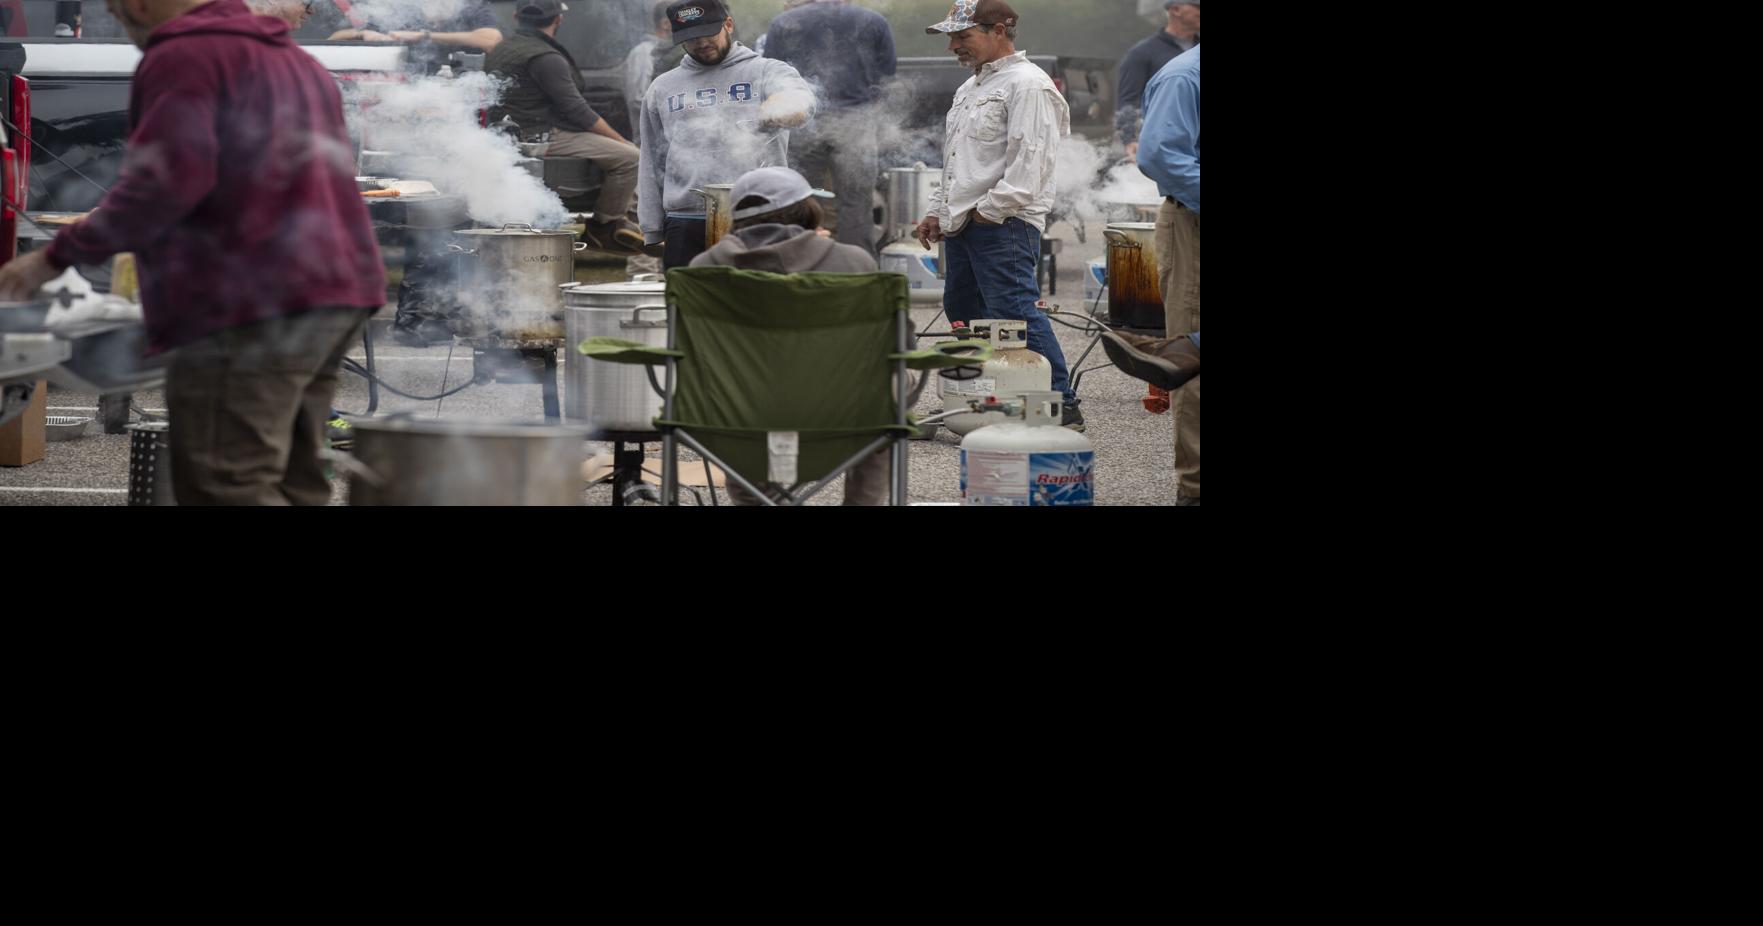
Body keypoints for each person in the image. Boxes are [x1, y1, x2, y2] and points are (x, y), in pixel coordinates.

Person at [0, 0, 385, 505]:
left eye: (121, 12)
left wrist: (54, 256)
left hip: (250, 302)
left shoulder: (186, 52)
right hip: (338, 290)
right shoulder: (296, 60)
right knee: (297, 479)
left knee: (226, 484)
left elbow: (168, 180)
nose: (123, 23)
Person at [914, 0, 1082, 431]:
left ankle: (1060, 407)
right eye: (951, 37)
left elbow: (1030, 168)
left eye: (962, 36)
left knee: (1014, 312)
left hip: (1003, 222)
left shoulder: (1028, 84)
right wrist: (938, 211)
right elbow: (957, 162)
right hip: (969, 221)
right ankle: (977, 403)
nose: (953, 45)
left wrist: (987, 213)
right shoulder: (970, 87)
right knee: (963, 307)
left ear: (1000, 31)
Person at [689, 166, 893, 505]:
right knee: (885, 392)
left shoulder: (704, 269)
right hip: (843, 423)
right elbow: (897, 343)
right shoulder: (854, 263)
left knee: (737, 394)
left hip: (736, 422)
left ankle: (758, 500)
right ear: (809, 210)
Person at [639, 0, 816, 268]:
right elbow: (650, 159)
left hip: (758, 215)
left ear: (728, 25)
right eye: (690, 38)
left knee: (758, 302)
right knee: (687, 304)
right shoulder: (662, 88)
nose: (700, 43)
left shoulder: (767, 70)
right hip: (686, 219)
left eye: (707, 33)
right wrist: (652, 226)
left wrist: (782, 106)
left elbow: (801, 101)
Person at [488, 0, 643, 252]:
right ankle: (604, 227)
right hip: (540, 135)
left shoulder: (501, 49)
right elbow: (578, 111)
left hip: (506, 134)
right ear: (558, 19)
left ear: (517, 17)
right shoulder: (545, 57)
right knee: (631, 158)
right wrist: (621, 141)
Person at [762, 0, 895, 256]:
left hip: (802, 120)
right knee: (856, 203)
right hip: (856, 121)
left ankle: (800, 264)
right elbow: (886, 76)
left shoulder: (784, 22)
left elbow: (771, 75)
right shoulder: (875, 21)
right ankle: (858, 272)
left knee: (799, 200)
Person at [1136, 45, 1200, 505]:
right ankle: (1196, 489)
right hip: (1195, 223)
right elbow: (1160, 156)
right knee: (1195, 352)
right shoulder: (1185, 76)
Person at [1115, 0, 1198, 159]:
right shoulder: (1142, 53)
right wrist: (1130, 140)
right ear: (1176, 9)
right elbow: (1129, 102)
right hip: (1164, 148)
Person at [328, 0, 501, 74]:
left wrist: (423, 35)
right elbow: (335, 39)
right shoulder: (405, 9)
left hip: (456, 94)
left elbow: (492, 40)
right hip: (405, 94)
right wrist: (363, 34)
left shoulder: (470, 7)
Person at [623, 0, 675, 146]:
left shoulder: (677, 53)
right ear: (666, 24)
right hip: (651, 145)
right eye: (681, 19)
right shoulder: (643, 53)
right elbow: (637, 99)